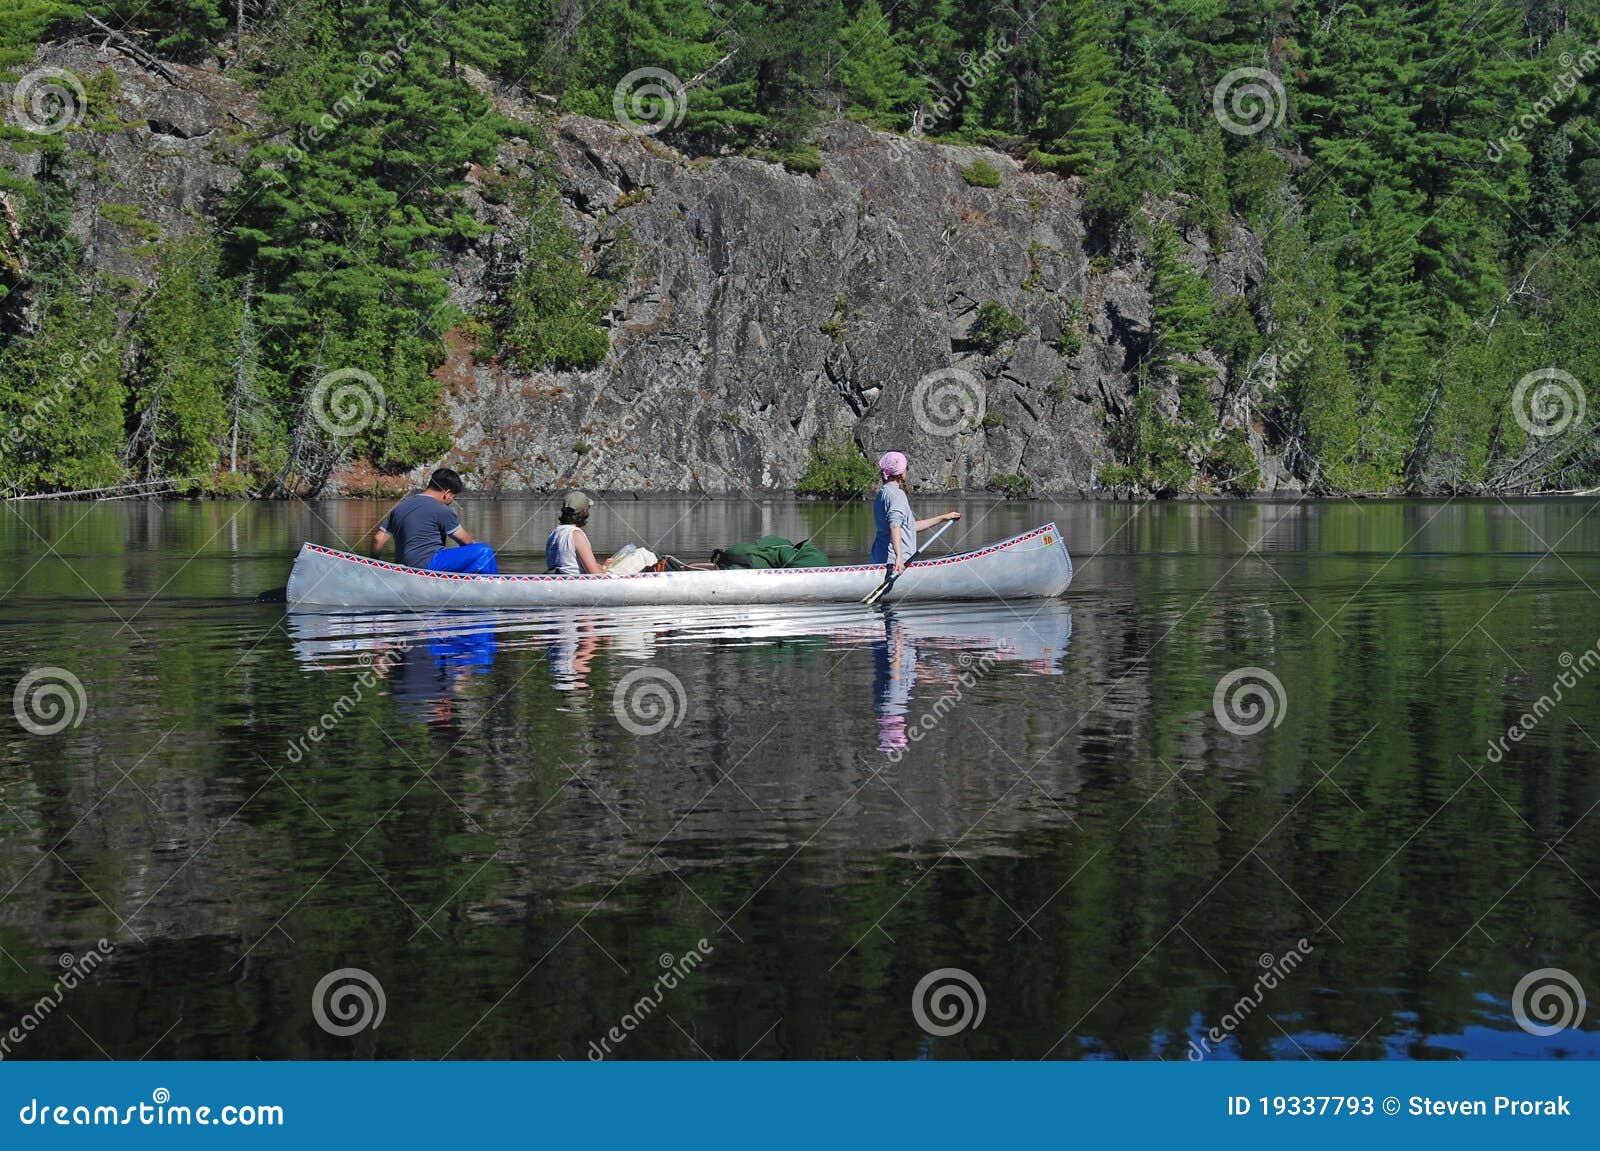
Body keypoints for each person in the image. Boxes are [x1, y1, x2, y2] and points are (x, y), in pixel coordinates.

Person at [372, 468, 498, 574]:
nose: (451, 501)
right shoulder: (441, 509)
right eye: (453, 497)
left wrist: (375, 568)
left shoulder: (400, 506)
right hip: (428, 564)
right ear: (447, 493)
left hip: (404, 566)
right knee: (484, 552)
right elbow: (467, 542)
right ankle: (485, 589)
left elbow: (378, 539)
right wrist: (473, 548)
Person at [871, 451, 959, 574]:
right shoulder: (897, 494)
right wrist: (899, 558)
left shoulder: (882, 493)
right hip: (895, 563)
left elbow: (909, 527)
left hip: (879, 559)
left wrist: (943, 518)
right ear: (901, 473)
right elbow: (895, 526)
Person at [546, 491, 607, 575]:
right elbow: (595, 574)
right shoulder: (576, 535)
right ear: (584, 512)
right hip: (575, 584)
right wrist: (607, 569)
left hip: (558, 582)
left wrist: (602, 567)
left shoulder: (554, 533)